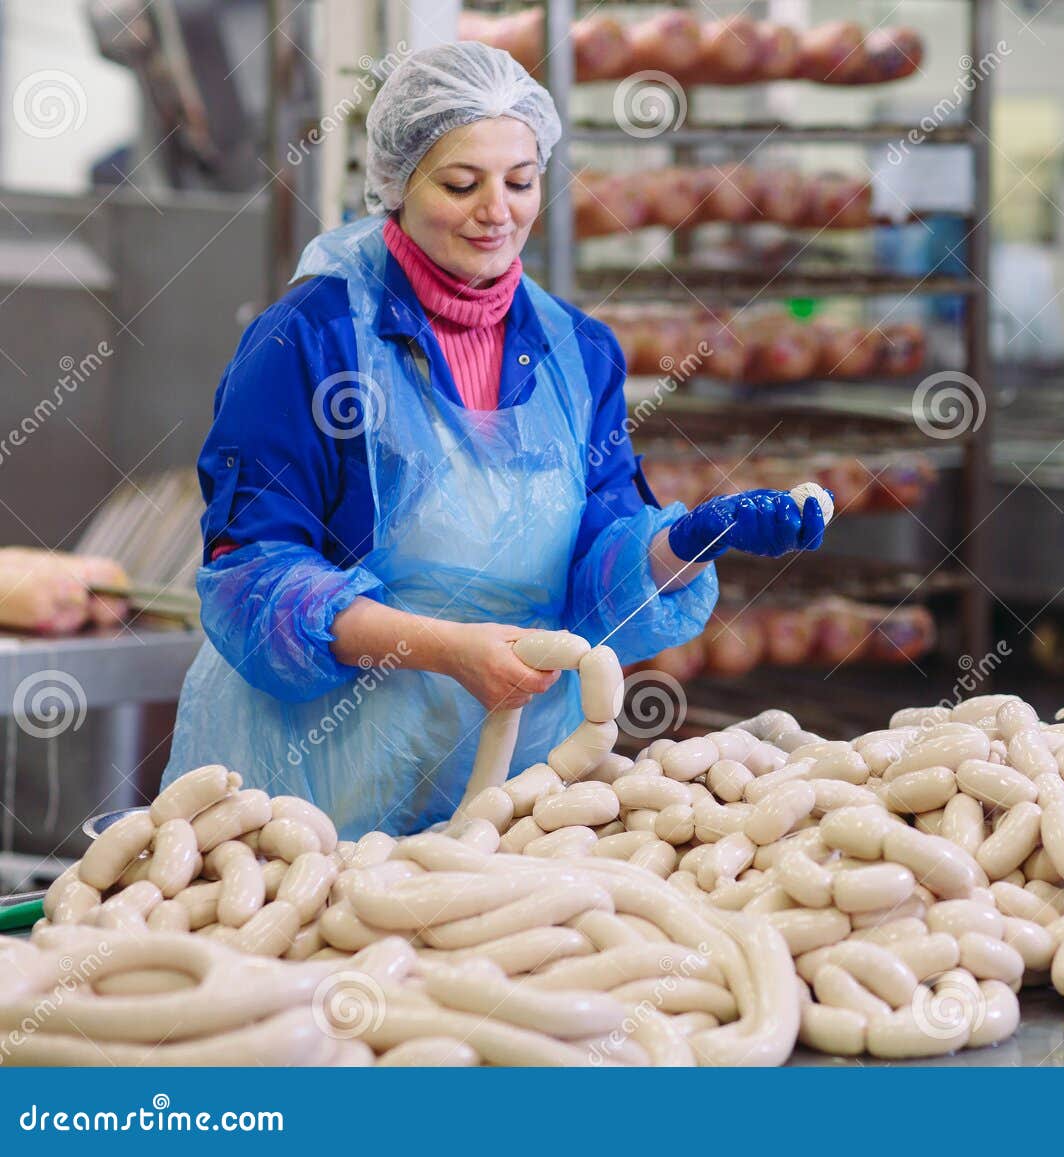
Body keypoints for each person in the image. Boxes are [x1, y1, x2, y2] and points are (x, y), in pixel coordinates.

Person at [163, 42, 829, 837]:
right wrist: (445, 648)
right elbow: (251, 582)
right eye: (460, 183)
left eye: (520, 181)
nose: (498, 211)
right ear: (398, 181)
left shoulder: (576, 352)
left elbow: (591, 579)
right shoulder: (311, 342)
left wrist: (683, 542)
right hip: (309, 788)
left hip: (505, 787)